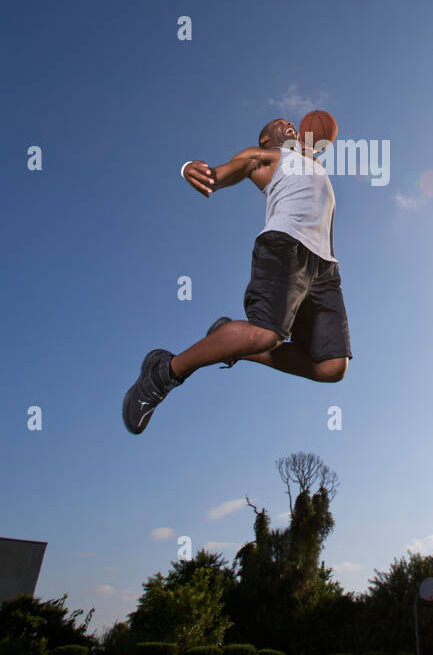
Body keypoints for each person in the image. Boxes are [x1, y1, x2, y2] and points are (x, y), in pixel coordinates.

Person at [122, 118, 351, 434]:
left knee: (332, 366)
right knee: (265, 333)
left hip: (325, 266)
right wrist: (192, 169)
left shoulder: (308, 159)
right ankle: (164, 372)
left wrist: (317, 135)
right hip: (285, 245)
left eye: (291, 124)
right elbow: (220, 174)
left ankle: (231, 339)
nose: (289, 124)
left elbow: (321, 133)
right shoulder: (267, 157)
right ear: (264, 139)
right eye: (280, 124)